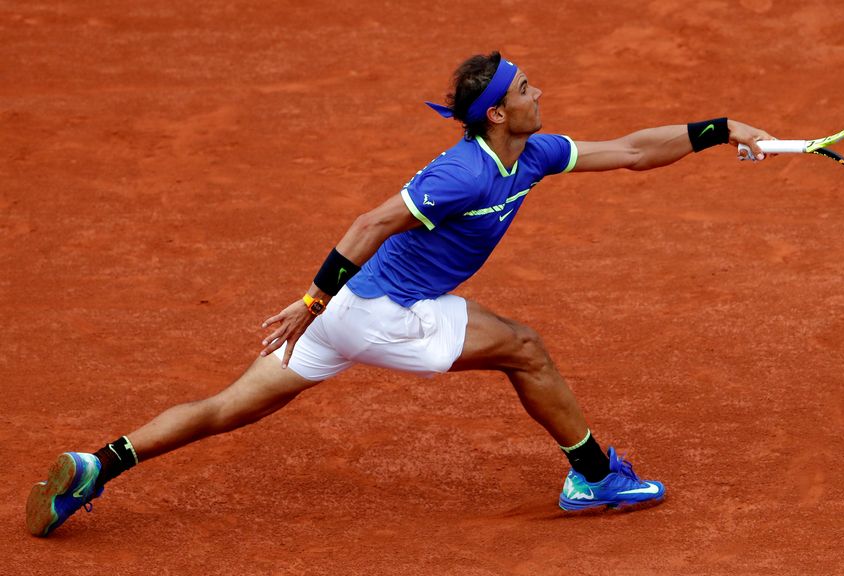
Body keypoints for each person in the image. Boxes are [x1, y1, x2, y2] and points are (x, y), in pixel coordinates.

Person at [26, 51, 773, 537]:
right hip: (379, 313)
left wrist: (723, 128)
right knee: (525, 347)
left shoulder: (535, 153)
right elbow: (371, 221)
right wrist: (311, 300)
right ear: (496, 114)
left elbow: (637, 152)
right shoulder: (464, 172)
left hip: (355, 316)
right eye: (525, 89)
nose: (539, 91)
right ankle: (593, 476)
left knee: (226, 409)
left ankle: (97, 466)